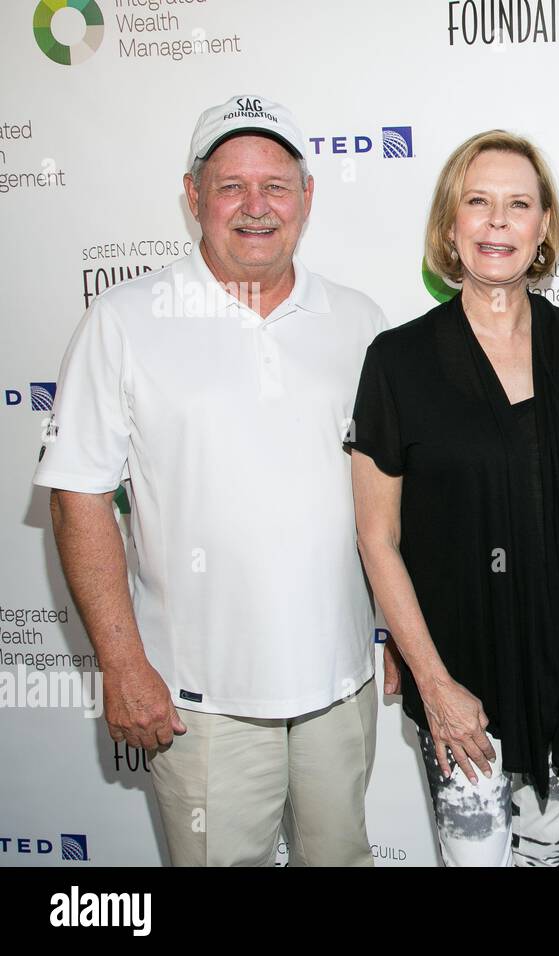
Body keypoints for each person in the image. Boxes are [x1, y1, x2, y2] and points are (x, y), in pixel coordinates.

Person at [34, 95, 388, 866]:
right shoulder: (124, 321)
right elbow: (78, 497)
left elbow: (388, 499)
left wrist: (398, 631)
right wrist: (123, 666)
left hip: (340, 684)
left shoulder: (360, 322)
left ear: (307, 197)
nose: (256, 208)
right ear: (192, 196)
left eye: (276, 185)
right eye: (231, 186)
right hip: (199, 704)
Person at [348, 130, 559, 867]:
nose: (498, 223)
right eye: (478, 203)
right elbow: (377, 536)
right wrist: (430, 679)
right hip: (458, 678)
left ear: (544, 228)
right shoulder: (398, 360)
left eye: (518, 205)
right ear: (450, 225)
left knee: (545, 860)